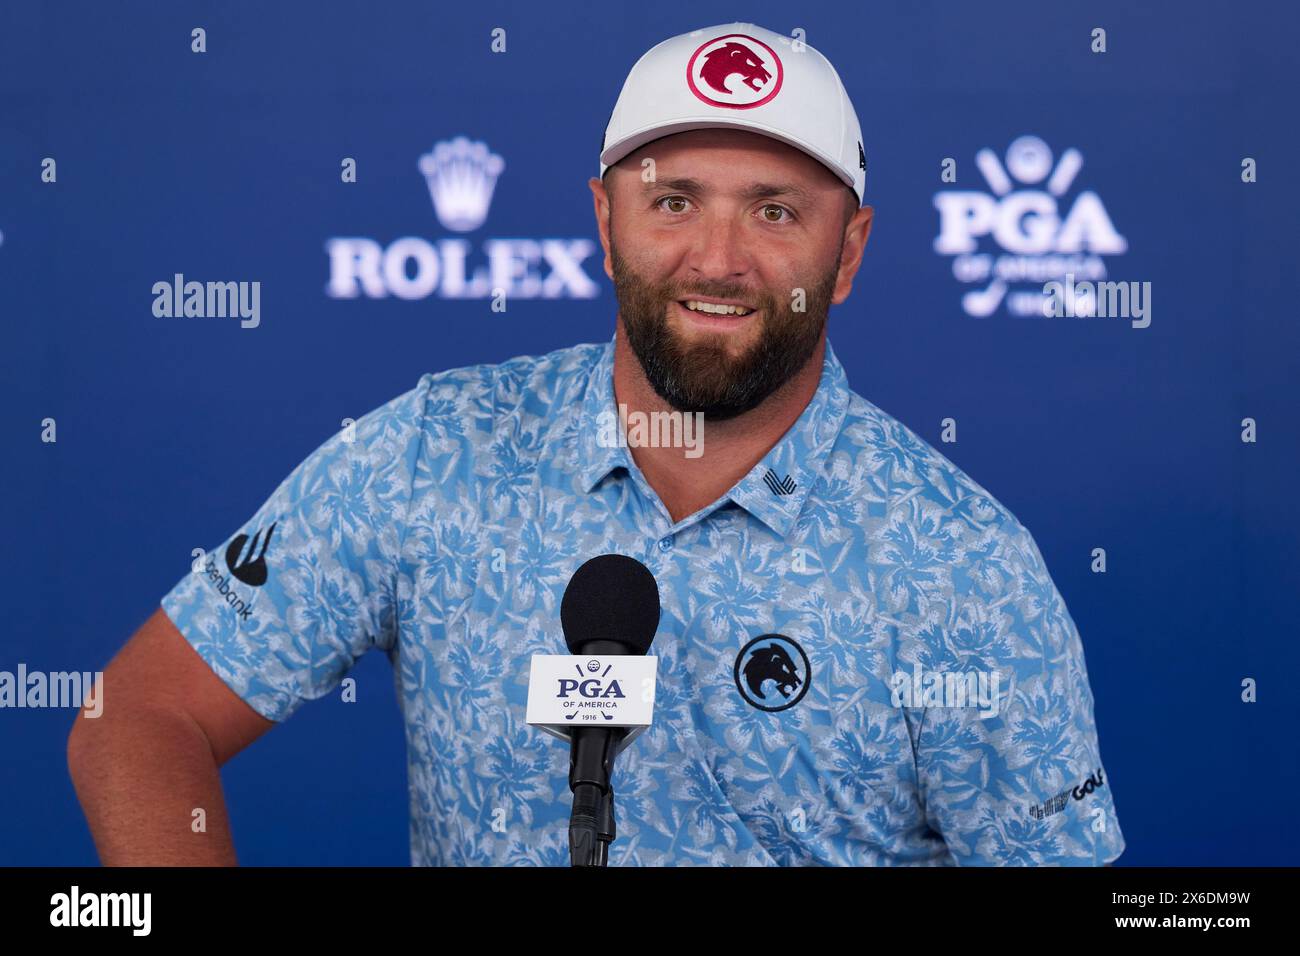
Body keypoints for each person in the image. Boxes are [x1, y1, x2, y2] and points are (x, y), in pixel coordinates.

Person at [68, 21, 1125, 866]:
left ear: (846, 252)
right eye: (672, 200)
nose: (718, 259)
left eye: (773, 211)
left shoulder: (965, 565)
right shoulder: (436, 454)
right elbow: (141, 714)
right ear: (603, 219)